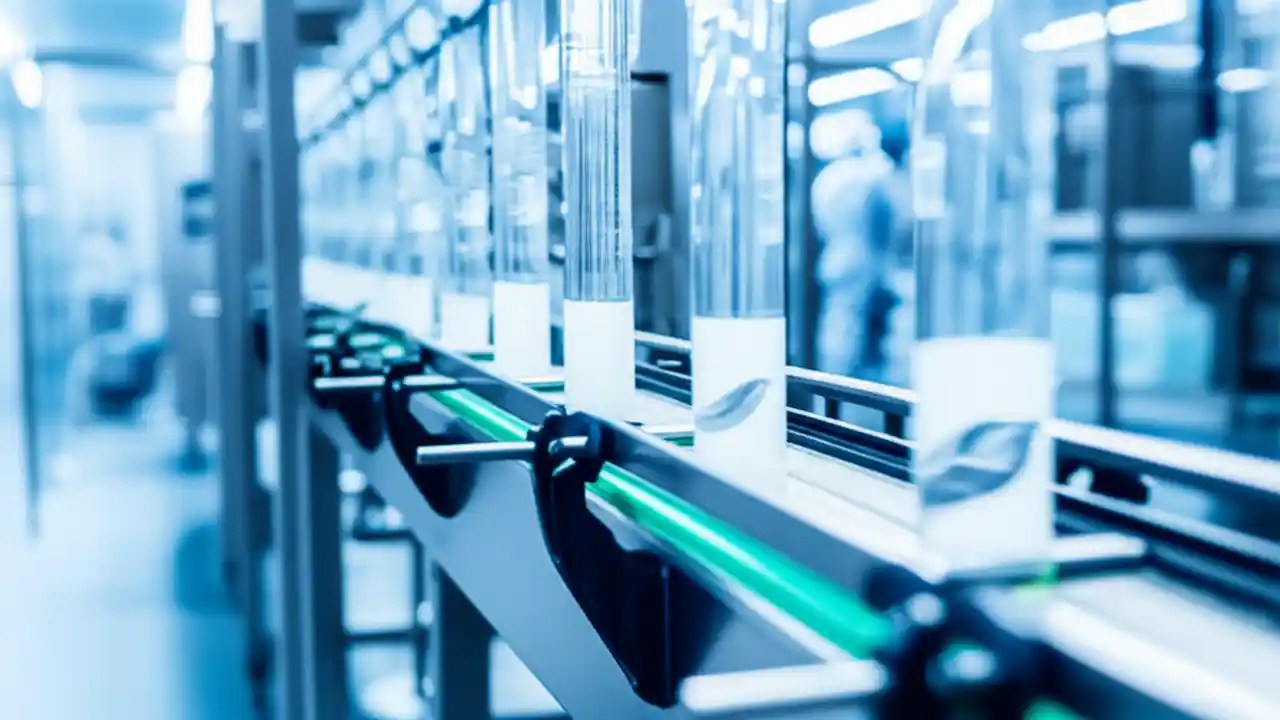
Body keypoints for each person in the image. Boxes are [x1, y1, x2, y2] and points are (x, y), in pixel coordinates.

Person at [813, 120, 911, 382]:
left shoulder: (828, 177)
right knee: (853, 323)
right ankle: (848, 381)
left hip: (834, 257)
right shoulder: (870, 178)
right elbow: (879, 223)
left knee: (838, 319)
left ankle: (831, 379)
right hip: (862, 258)